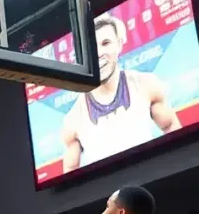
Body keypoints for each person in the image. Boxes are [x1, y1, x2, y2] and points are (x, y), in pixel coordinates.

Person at [62, 15, 181, 172]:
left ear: (119, 44)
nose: (99, 53)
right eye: (91, 48)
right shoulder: (73, 119)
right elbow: (70, 176)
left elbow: (172, 129)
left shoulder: (146, 85)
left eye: (105, 43)